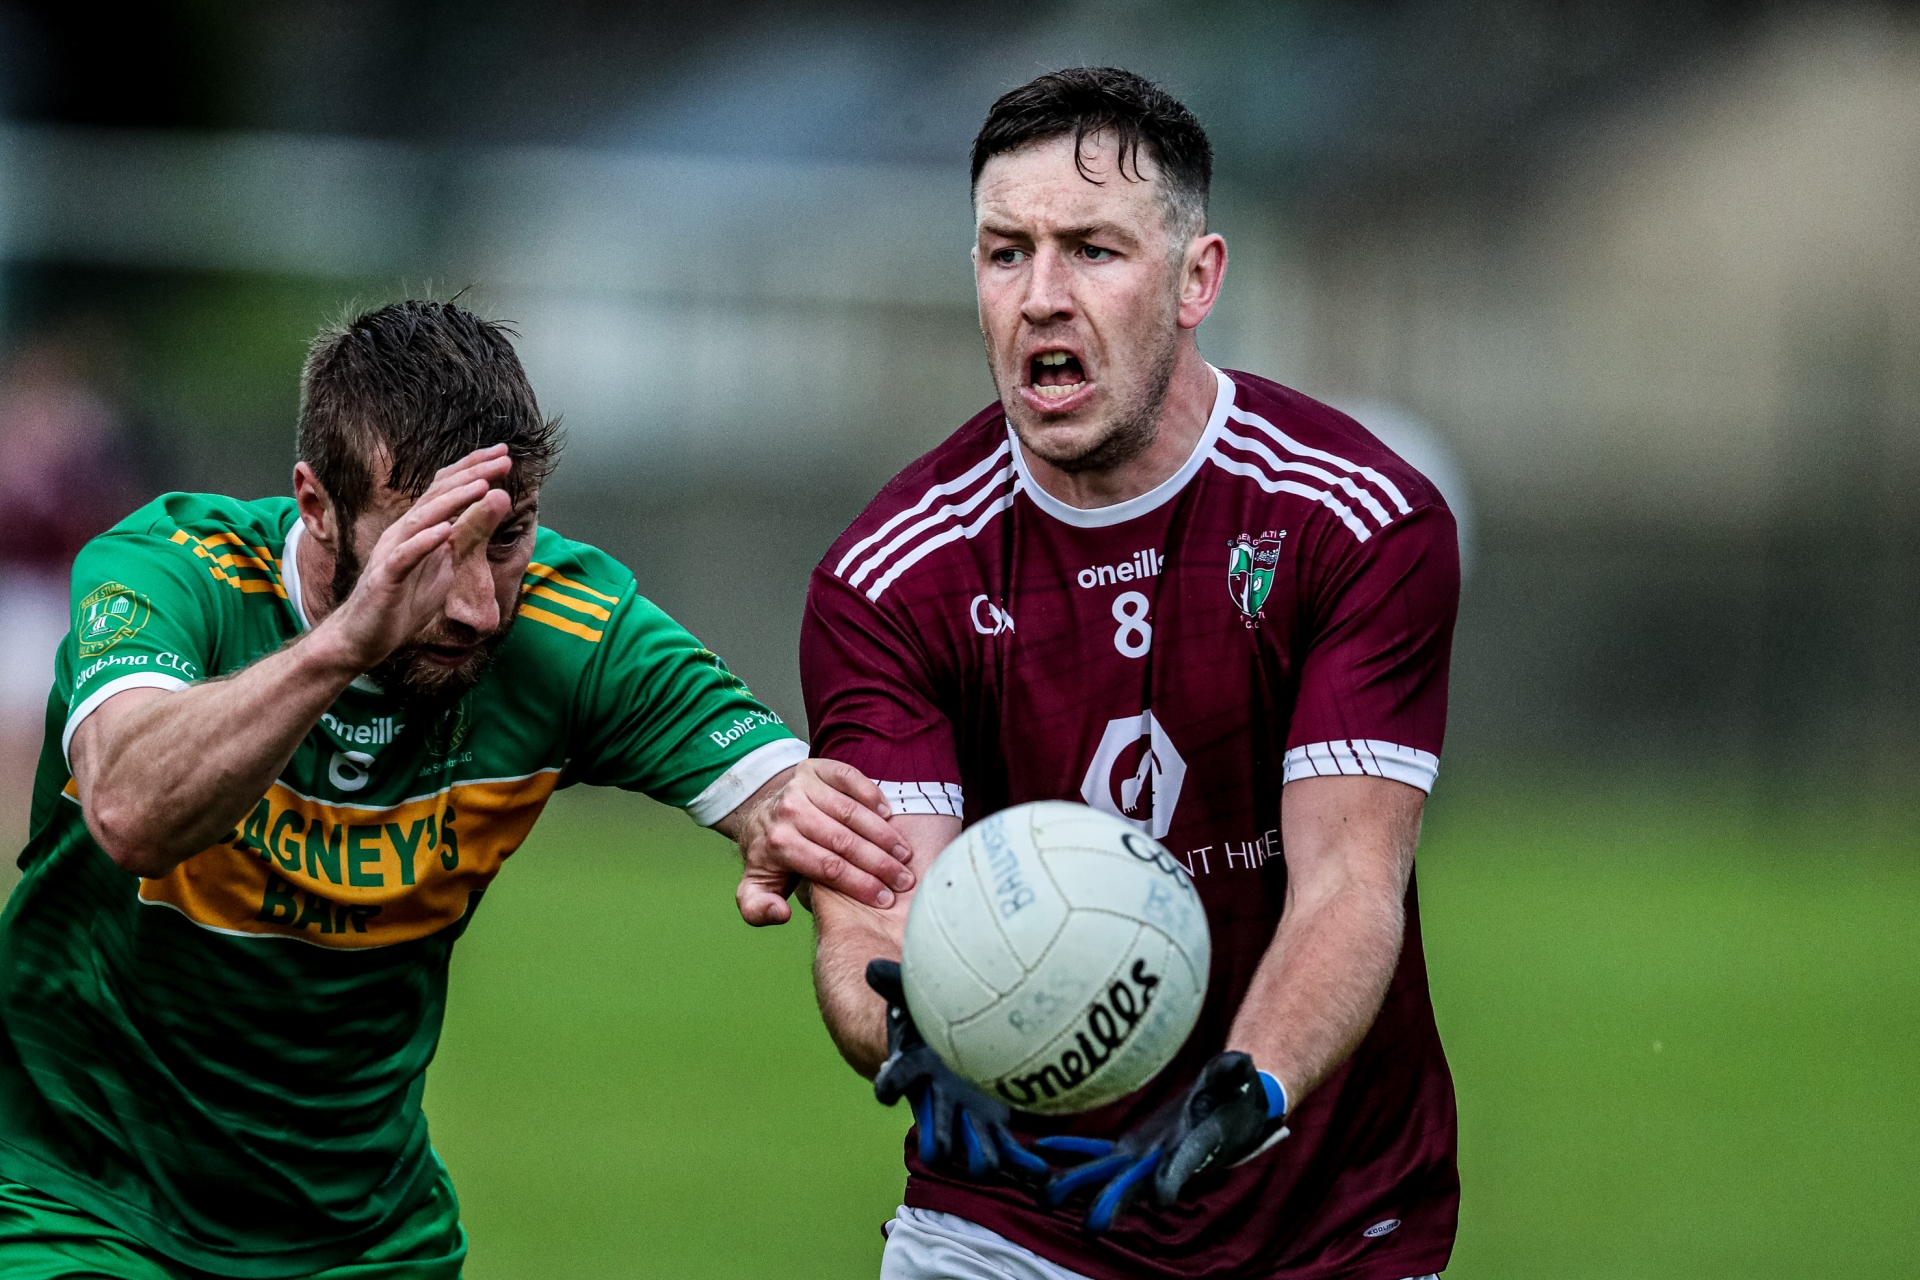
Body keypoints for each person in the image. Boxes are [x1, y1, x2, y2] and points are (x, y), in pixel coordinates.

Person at [0, 299, 910, 1278]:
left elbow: (809, 805)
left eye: (506, 538)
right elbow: (132, 807)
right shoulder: (170, 572)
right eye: (429, 551)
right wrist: (345, 645)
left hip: (365, 1237)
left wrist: (816, 844)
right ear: (315, 504)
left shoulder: (573, 627)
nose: (478, 604)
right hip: (75, 1195)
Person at [794, 69, 1460, 1280]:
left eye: (1092, 249)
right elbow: (878, 910)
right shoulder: (891, 578)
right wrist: (903, 1017)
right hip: (1011, 1208)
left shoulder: (1353, 520)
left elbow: (1350, 883)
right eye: (1005, 253)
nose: (1041, 297)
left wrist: (1245, 1086)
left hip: (1322, 1210)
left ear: (1198, 278)